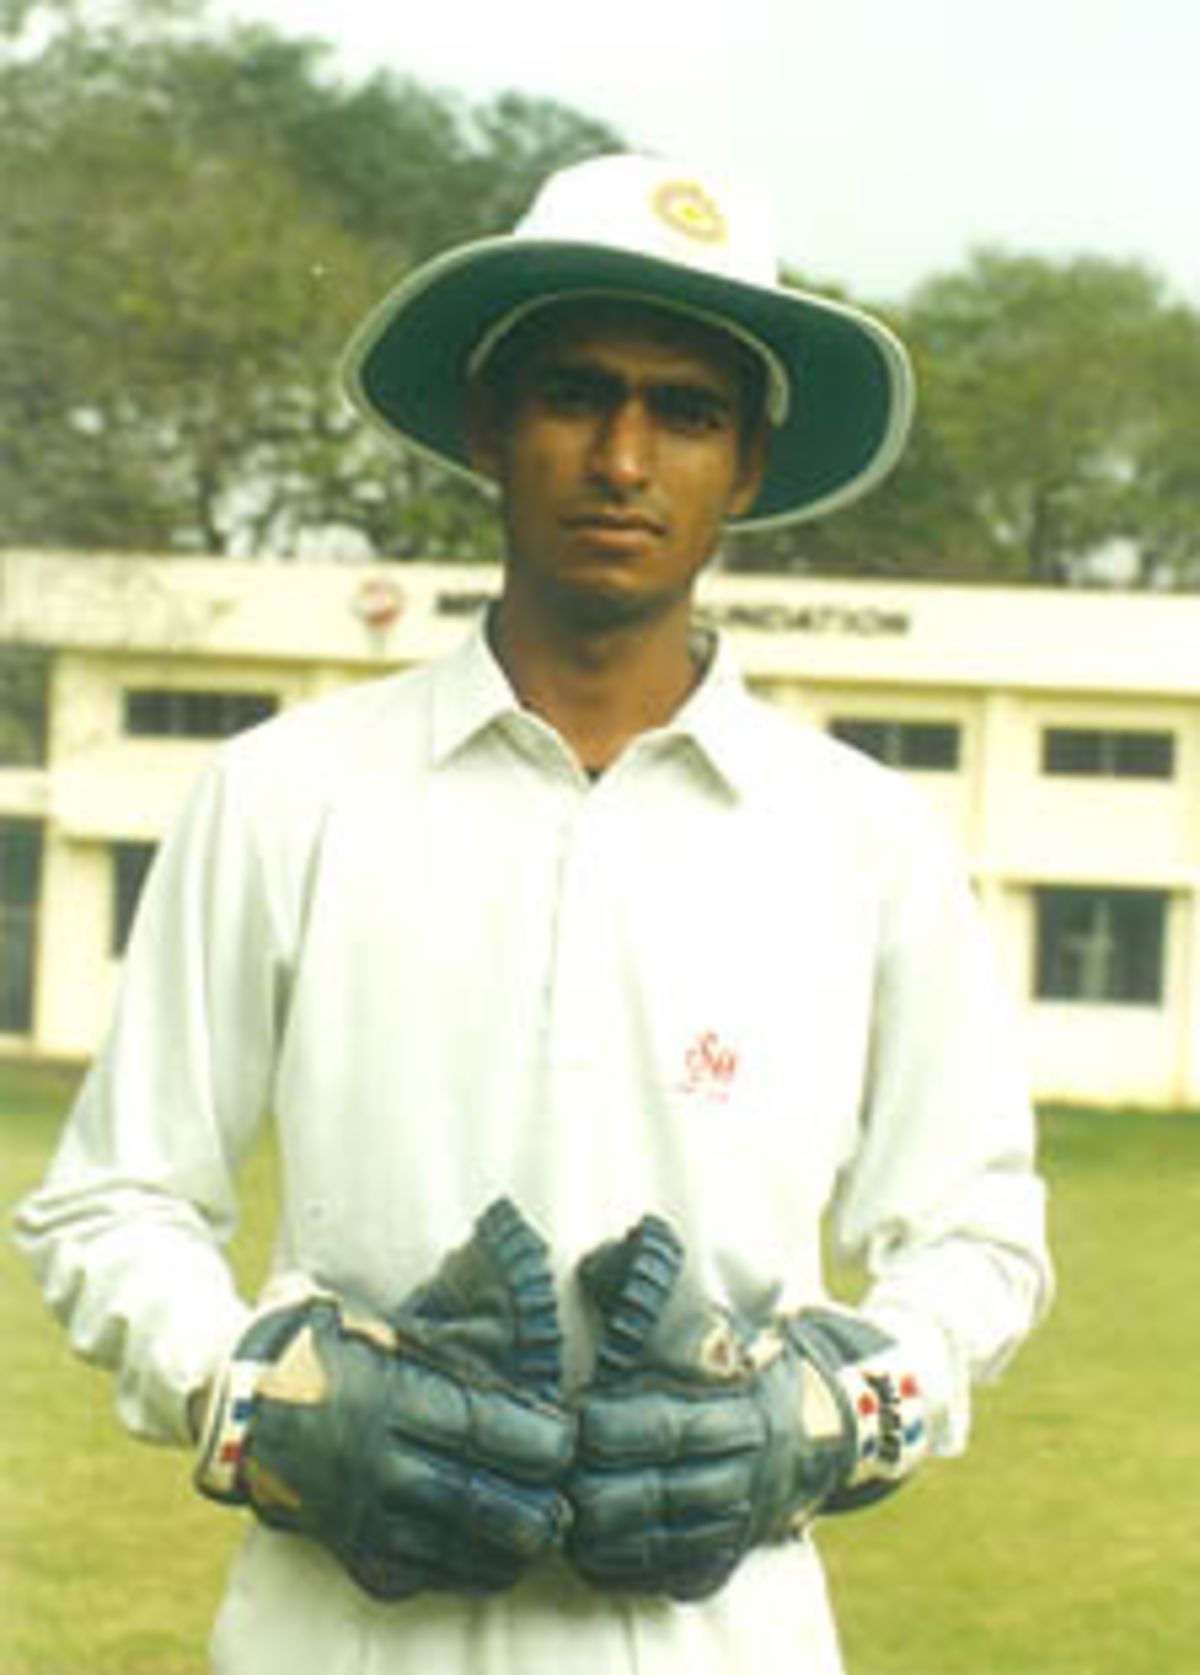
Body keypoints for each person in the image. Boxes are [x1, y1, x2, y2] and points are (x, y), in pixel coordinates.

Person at [15, 152, 1052, 1674]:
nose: (624, 458)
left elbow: (978, 1234)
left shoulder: (865, 839)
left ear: (747, 466)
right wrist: (254, 1399)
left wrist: (824, 1417)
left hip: (721, 1640)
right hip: (341, 1636)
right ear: (492, 428)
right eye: (576, 393)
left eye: (686, 411)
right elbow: (117, 1201)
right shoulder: (285, 796)